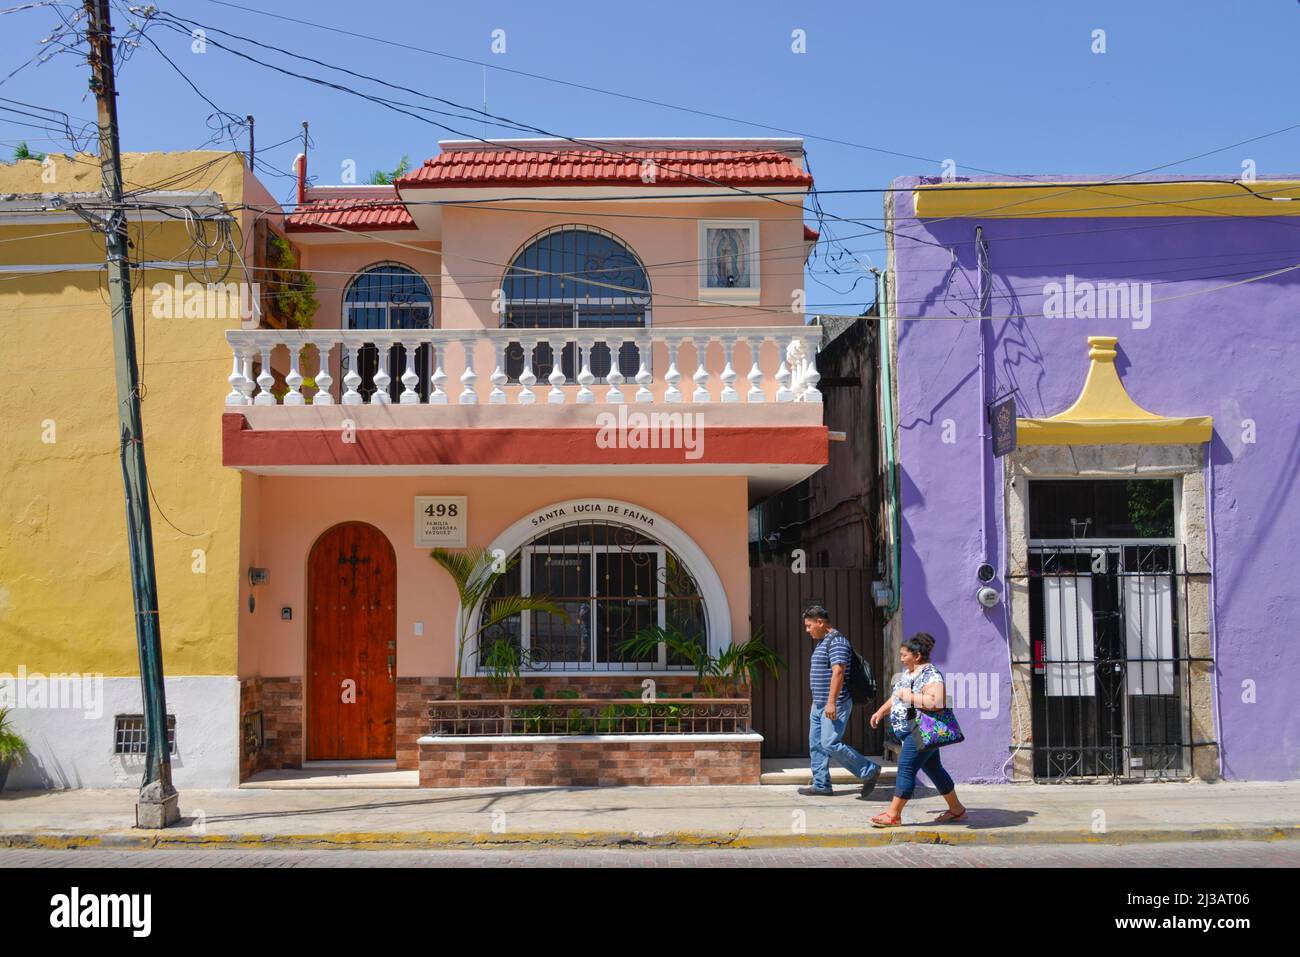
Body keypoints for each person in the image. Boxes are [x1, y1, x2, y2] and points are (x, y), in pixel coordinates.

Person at [868, 632, 967, 826]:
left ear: (917, 655)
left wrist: (910, 697)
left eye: (904, 655)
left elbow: (937, 702)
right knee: (935, 769)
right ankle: (956, 809)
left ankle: (893, 815)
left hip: (920, 731)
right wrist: (881, 711)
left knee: (906, 768)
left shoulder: (931, 674)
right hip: (913, 731)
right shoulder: (909, 673)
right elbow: (898, 695)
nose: (901, 659)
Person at [798, 604, 882, 798]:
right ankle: (821, 785)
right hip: (818, 704)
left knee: (829, 743)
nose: (807, 630)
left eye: (809, 625)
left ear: (820, 622)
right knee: (816, 744)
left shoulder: (837, 641)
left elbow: (838, 672)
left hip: (834, 703)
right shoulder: (822, 642)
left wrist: (831, 702)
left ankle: (869, 770)